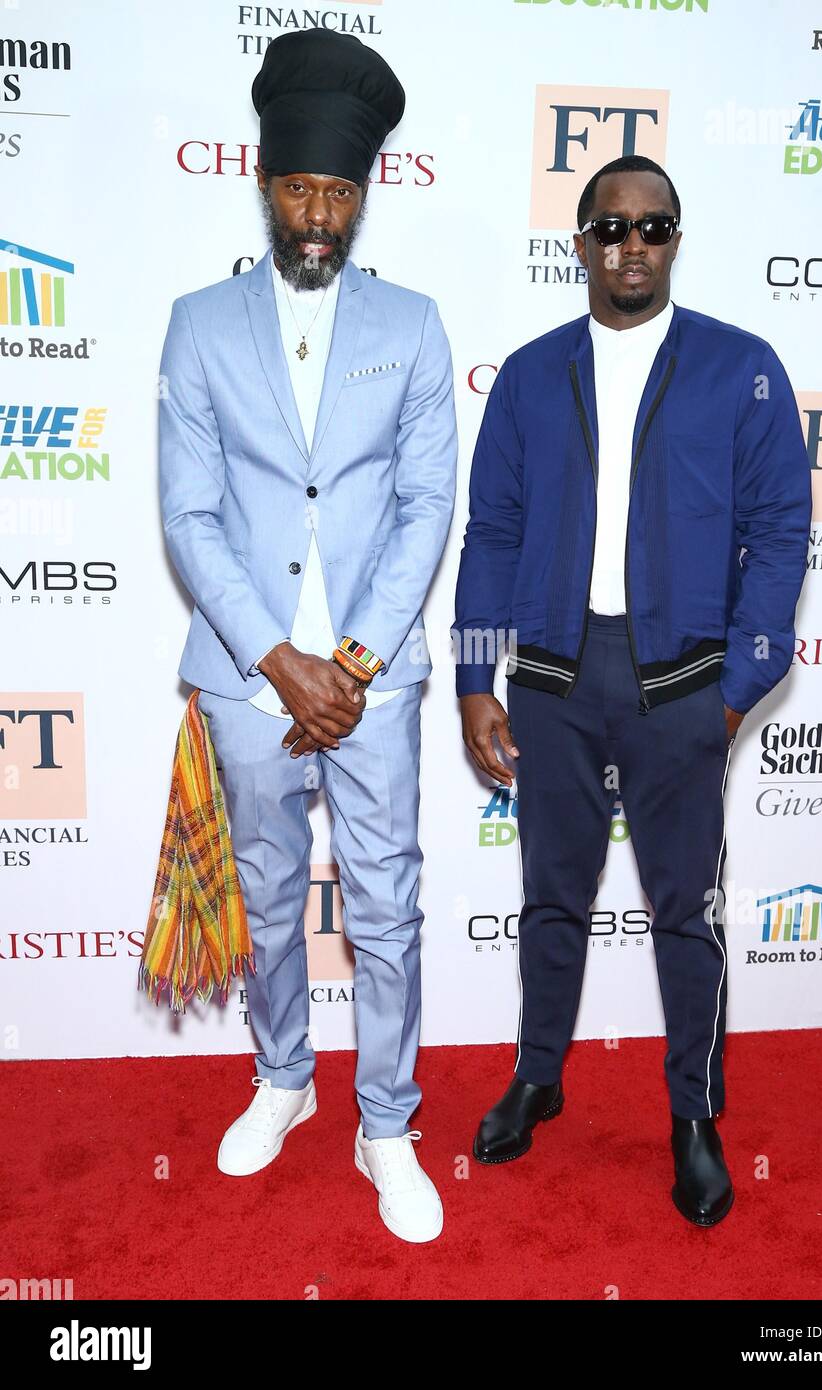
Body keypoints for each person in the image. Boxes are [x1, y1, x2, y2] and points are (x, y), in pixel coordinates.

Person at [452, 155, 811, 1226]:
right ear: (578, 242)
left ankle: (692, 1116)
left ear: (674, 239)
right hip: (554, 681)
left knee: (684, 915)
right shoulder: (527, 374)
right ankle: (538, 1075)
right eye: (609, 229)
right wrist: (477, 675)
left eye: (651, 228)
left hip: (681, 687)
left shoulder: (737, 366)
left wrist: (740, 686)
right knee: (549, 899)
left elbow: (780, 534)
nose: (630, 248)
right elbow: (491, 537)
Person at [158, 29, 457, 1244]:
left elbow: (427, 503)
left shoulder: (416, 323)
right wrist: (280, 659)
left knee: (384, 906)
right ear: (266, 184)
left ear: (363, 191)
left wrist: (352, 662)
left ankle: (386, 1121)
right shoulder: (198, 323)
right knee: (271, 895)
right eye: (299, 188)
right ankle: (283, 1078)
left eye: (339, 189)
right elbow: (187, 512)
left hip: (372, 685)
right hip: (246, 679)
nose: (318, 211)